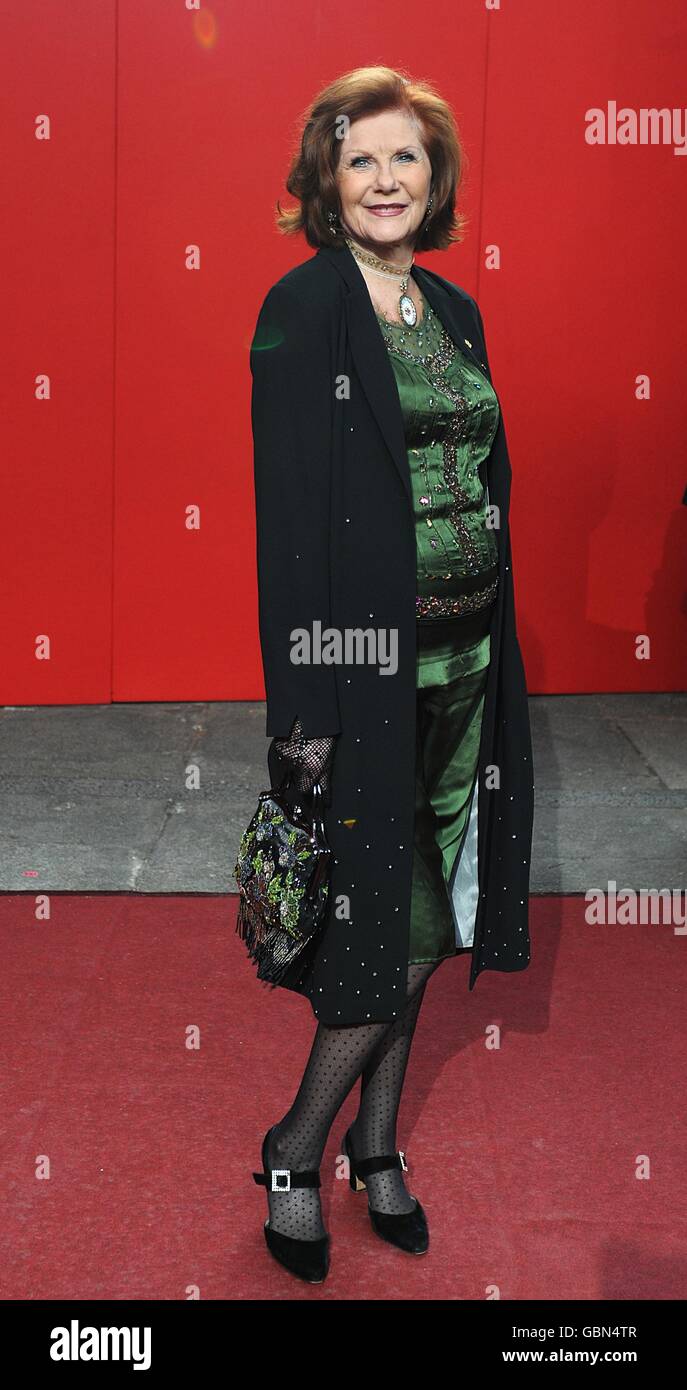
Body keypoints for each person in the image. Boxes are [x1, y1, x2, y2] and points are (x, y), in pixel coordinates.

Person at [248, 66, 534, 1283]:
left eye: (406, 158)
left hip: (467, 665)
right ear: (328, 180)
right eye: (361, 159)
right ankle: (293, 1144)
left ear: (437, 179)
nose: (385, 180)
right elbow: (288, 529)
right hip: (362, 678)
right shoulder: (302, 309)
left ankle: (376, 1150)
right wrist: (304, 711)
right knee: (392, 928)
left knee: (426, 915)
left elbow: (484, 477)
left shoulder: (456, 309)